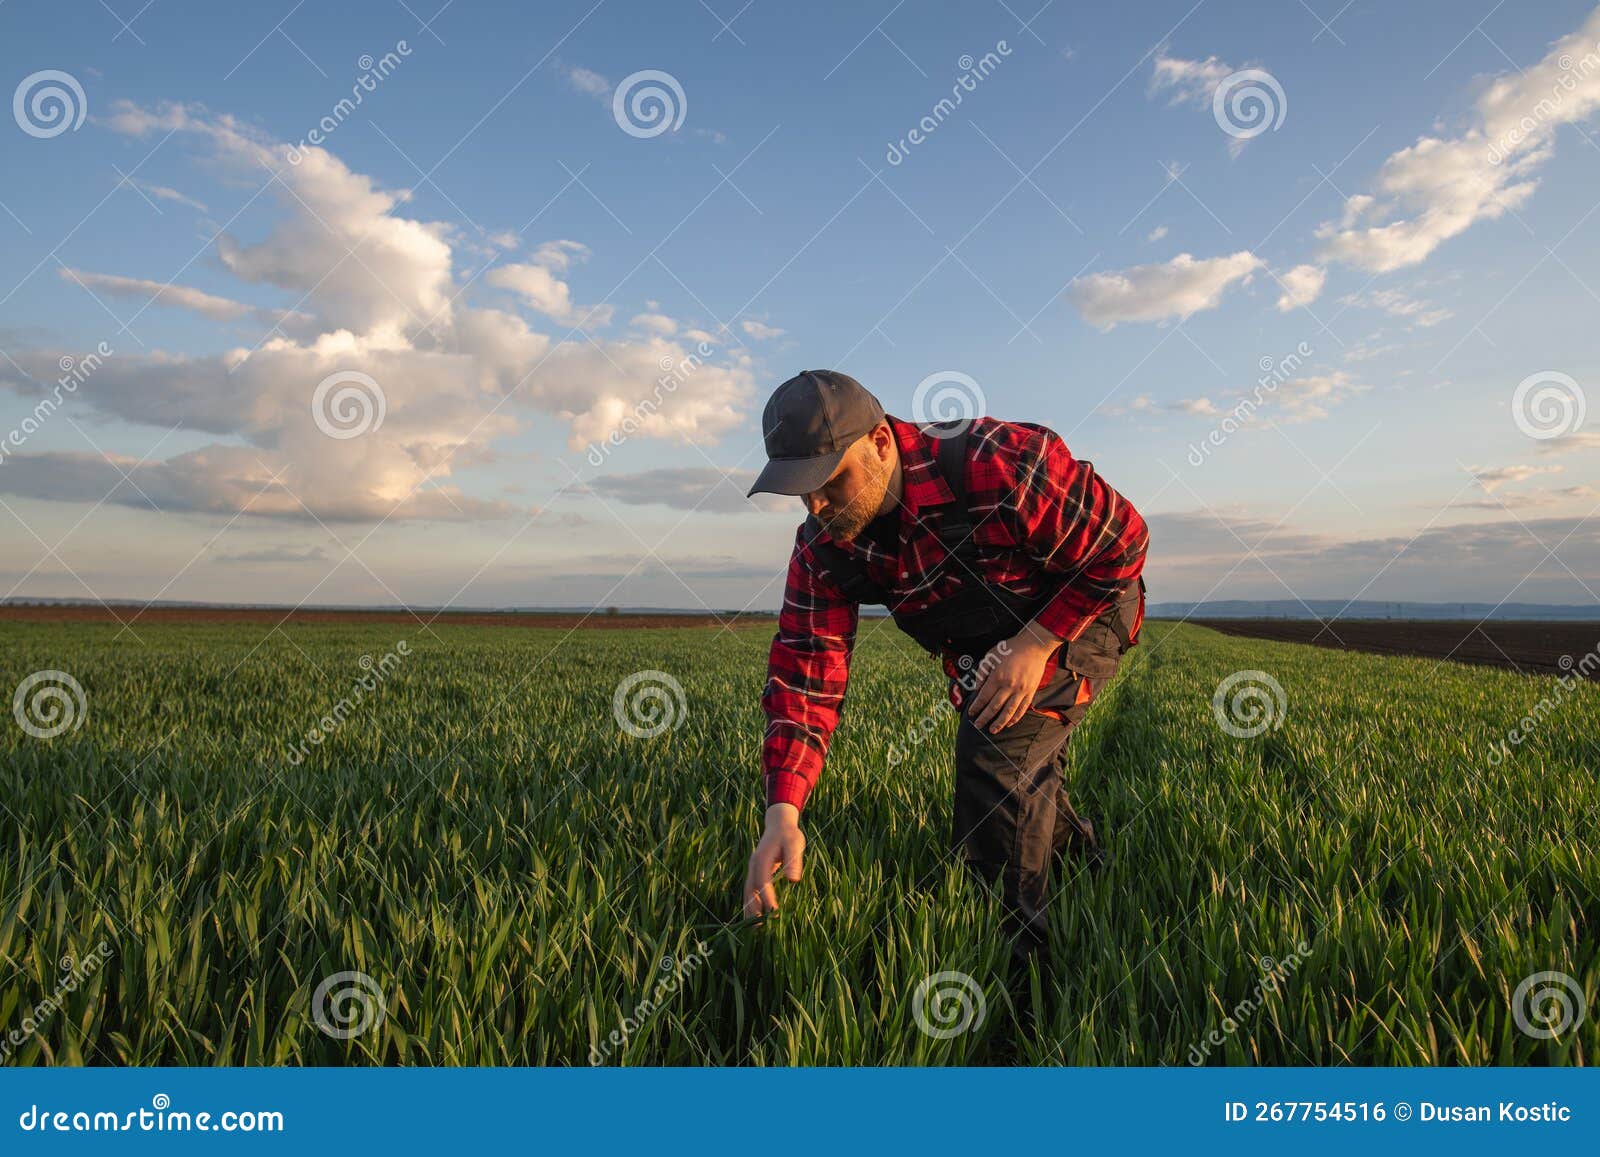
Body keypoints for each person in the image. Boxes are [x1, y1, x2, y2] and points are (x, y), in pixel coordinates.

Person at [740, 369, 1149, 960]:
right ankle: (1090, 870)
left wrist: (1035, 644)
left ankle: (1017, 970)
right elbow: (807, 674)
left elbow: (1123, 543)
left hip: (1085, 604)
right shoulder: (823, 549)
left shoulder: (997, 461)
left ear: (881, 442)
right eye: (799, 490)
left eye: (829, 481)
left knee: (993, 757)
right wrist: (784, 808)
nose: (816, 505)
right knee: (1018, 757)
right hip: (993, 642)